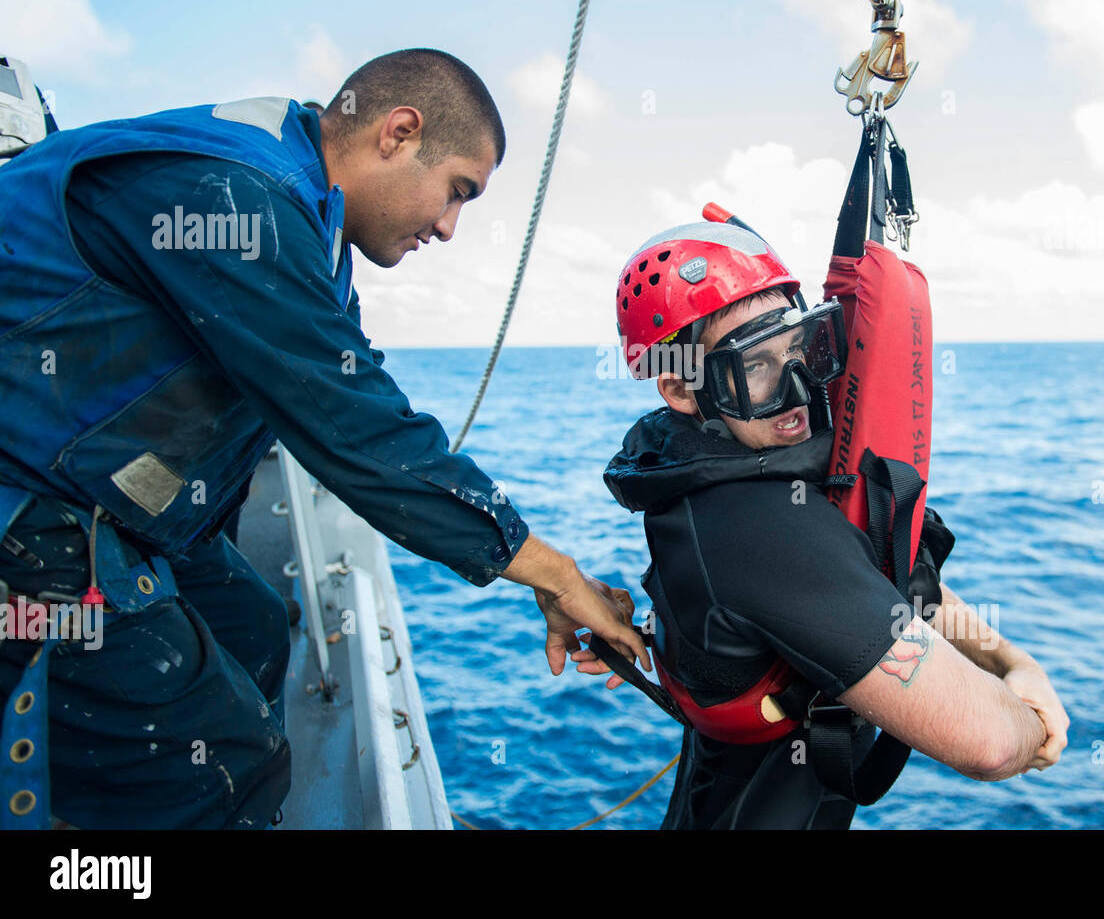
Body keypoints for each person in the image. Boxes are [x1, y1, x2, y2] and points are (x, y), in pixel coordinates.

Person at [0, 48, 647, 830]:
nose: (449, 227)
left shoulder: (305, 215)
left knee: (252, 626)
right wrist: (558, 575)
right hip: (29, 498)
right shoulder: (241, 198)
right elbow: (356, 432)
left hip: (83, 482)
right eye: (457, 191)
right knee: (221, 769)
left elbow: (354, 396)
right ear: (399, 132)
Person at [582, 218, 1069, 829]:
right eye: (755, 367)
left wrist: (1012, 662)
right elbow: (990, 742)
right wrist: (1035, 726)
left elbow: (875, 583)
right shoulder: (760, 527)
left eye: (801, 348)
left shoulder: (723, 471)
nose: (797, 391)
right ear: (682, 390)